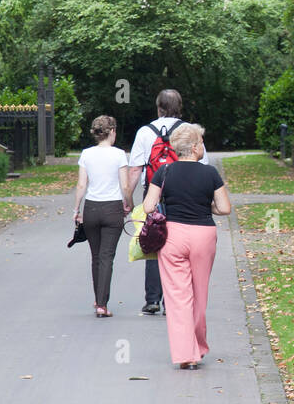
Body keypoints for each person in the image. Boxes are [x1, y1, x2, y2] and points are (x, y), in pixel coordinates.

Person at [141, 123, 231, 369]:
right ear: (193, 147)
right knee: (199, 294)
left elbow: (149, 207)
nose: (203, 146)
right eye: (201, 142)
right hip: (203, 235)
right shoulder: (210, 174)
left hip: (173, 236)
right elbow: (224, 208)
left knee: (178, 296)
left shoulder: (164, 172)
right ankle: (199, 346)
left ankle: (186, 355)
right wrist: (204, 206)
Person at [124, 89, 184, 315]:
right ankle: (172, 301)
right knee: (177, 245)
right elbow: (202, 165)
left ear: (158, 107)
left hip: (153, 194)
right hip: (182, 195)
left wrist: (128, 200)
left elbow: (135, 169)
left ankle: (152, 299)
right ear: (179, 106)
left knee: (152, 240)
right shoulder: (188, 131)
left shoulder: (145, 132)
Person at [73, 115, 132, 317]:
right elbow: (125, 185)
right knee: (107, 257)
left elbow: (82, 185)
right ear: (112, 131)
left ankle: (98, 299)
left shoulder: (86, 154)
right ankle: (102, 304)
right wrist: (128, 203)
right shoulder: (119, 155)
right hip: (112, 208)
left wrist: (76, 209)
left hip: (91, 209)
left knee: (96, 256)